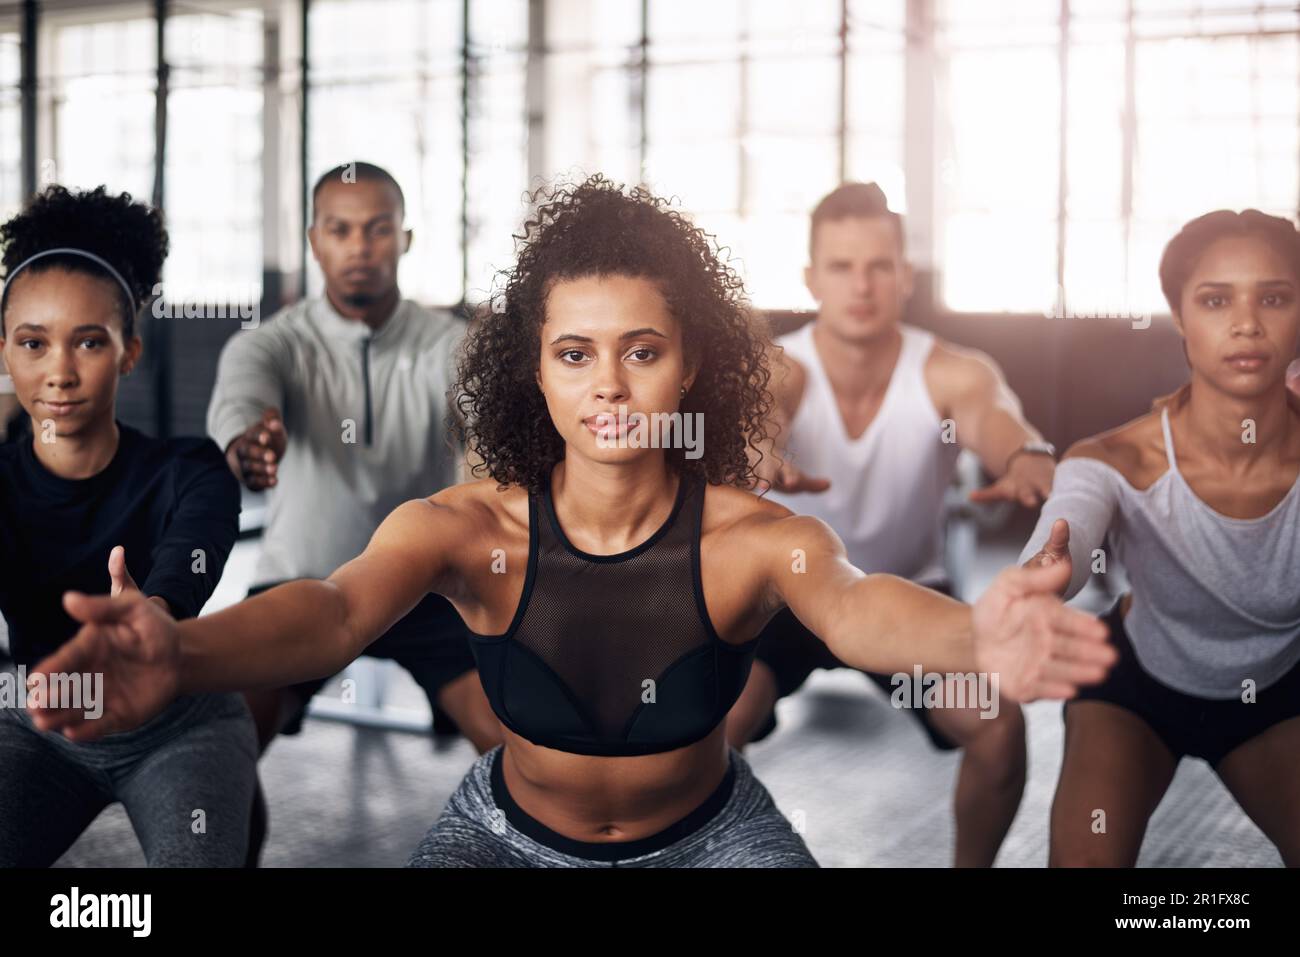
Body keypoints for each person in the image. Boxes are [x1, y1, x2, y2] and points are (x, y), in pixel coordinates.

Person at [31, 176, 1114, 869]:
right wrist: (183, 647)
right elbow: (329, 610)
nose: (609, 387)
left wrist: (977, 636)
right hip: (499, 838)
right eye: (574, 354)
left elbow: (856, 607)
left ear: (689, 362)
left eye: (641, 351)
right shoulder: (462, 527)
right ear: (532, 373)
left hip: (713, 838)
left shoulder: (750, 536)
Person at [726, 183, 1056, 867]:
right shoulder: (778, 367)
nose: (862, 285)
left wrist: (1025, 455)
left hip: (903, 596)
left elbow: (995, 415)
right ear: (812, 278)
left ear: (906, 276)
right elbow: (763, 414)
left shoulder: (949, 369)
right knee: (712, 730)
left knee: (997, 726)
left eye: (879, 266)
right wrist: (761, 452)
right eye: (842, 267)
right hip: (783, 598)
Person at [207, 162, 502, 861]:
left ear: (404, 237)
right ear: (315, 241)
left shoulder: (450, 346)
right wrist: (248, 444)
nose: (360, 246)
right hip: (304, 579)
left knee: (524, 747)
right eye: (340, 230)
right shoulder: (271, 343)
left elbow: (488, 431)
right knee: (217, 751)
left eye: (376, 229)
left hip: (431, 586)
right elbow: (242, 401)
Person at [1021, 209, 1300, 867]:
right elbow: (1071, 529)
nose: (1246, 323)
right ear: (1179, 316)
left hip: (1277, 694)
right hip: (1137, 691)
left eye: (1275, 297)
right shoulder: (1117, 459)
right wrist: (1045, 572)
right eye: (1214, 300)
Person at [0, 184, 254, 867]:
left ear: (129, 351)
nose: (58, 372)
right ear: (4, 352)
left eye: (88, 341)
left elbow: (190, 551)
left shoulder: (190, 471)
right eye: (33, 342)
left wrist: (156, 612)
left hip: (180, 722)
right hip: (37, 722)